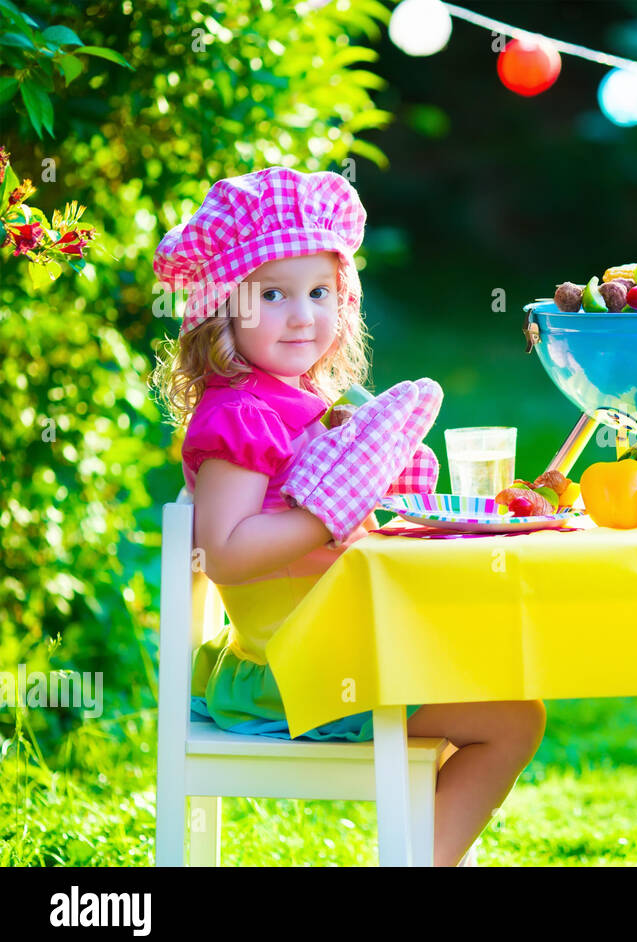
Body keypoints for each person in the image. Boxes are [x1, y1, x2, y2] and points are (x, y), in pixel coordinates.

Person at [152, 167, 545, 866]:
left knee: (493, 674)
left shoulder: (291, 400)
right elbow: (225, 551)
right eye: (272, 294)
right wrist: (327, 515)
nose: (302, 314)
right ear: (222, 308)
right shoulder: (242, 416)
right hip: (297, 673)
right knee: (512, 719)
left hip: (327, 651)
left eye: (319, 292)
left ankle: (418, 851)